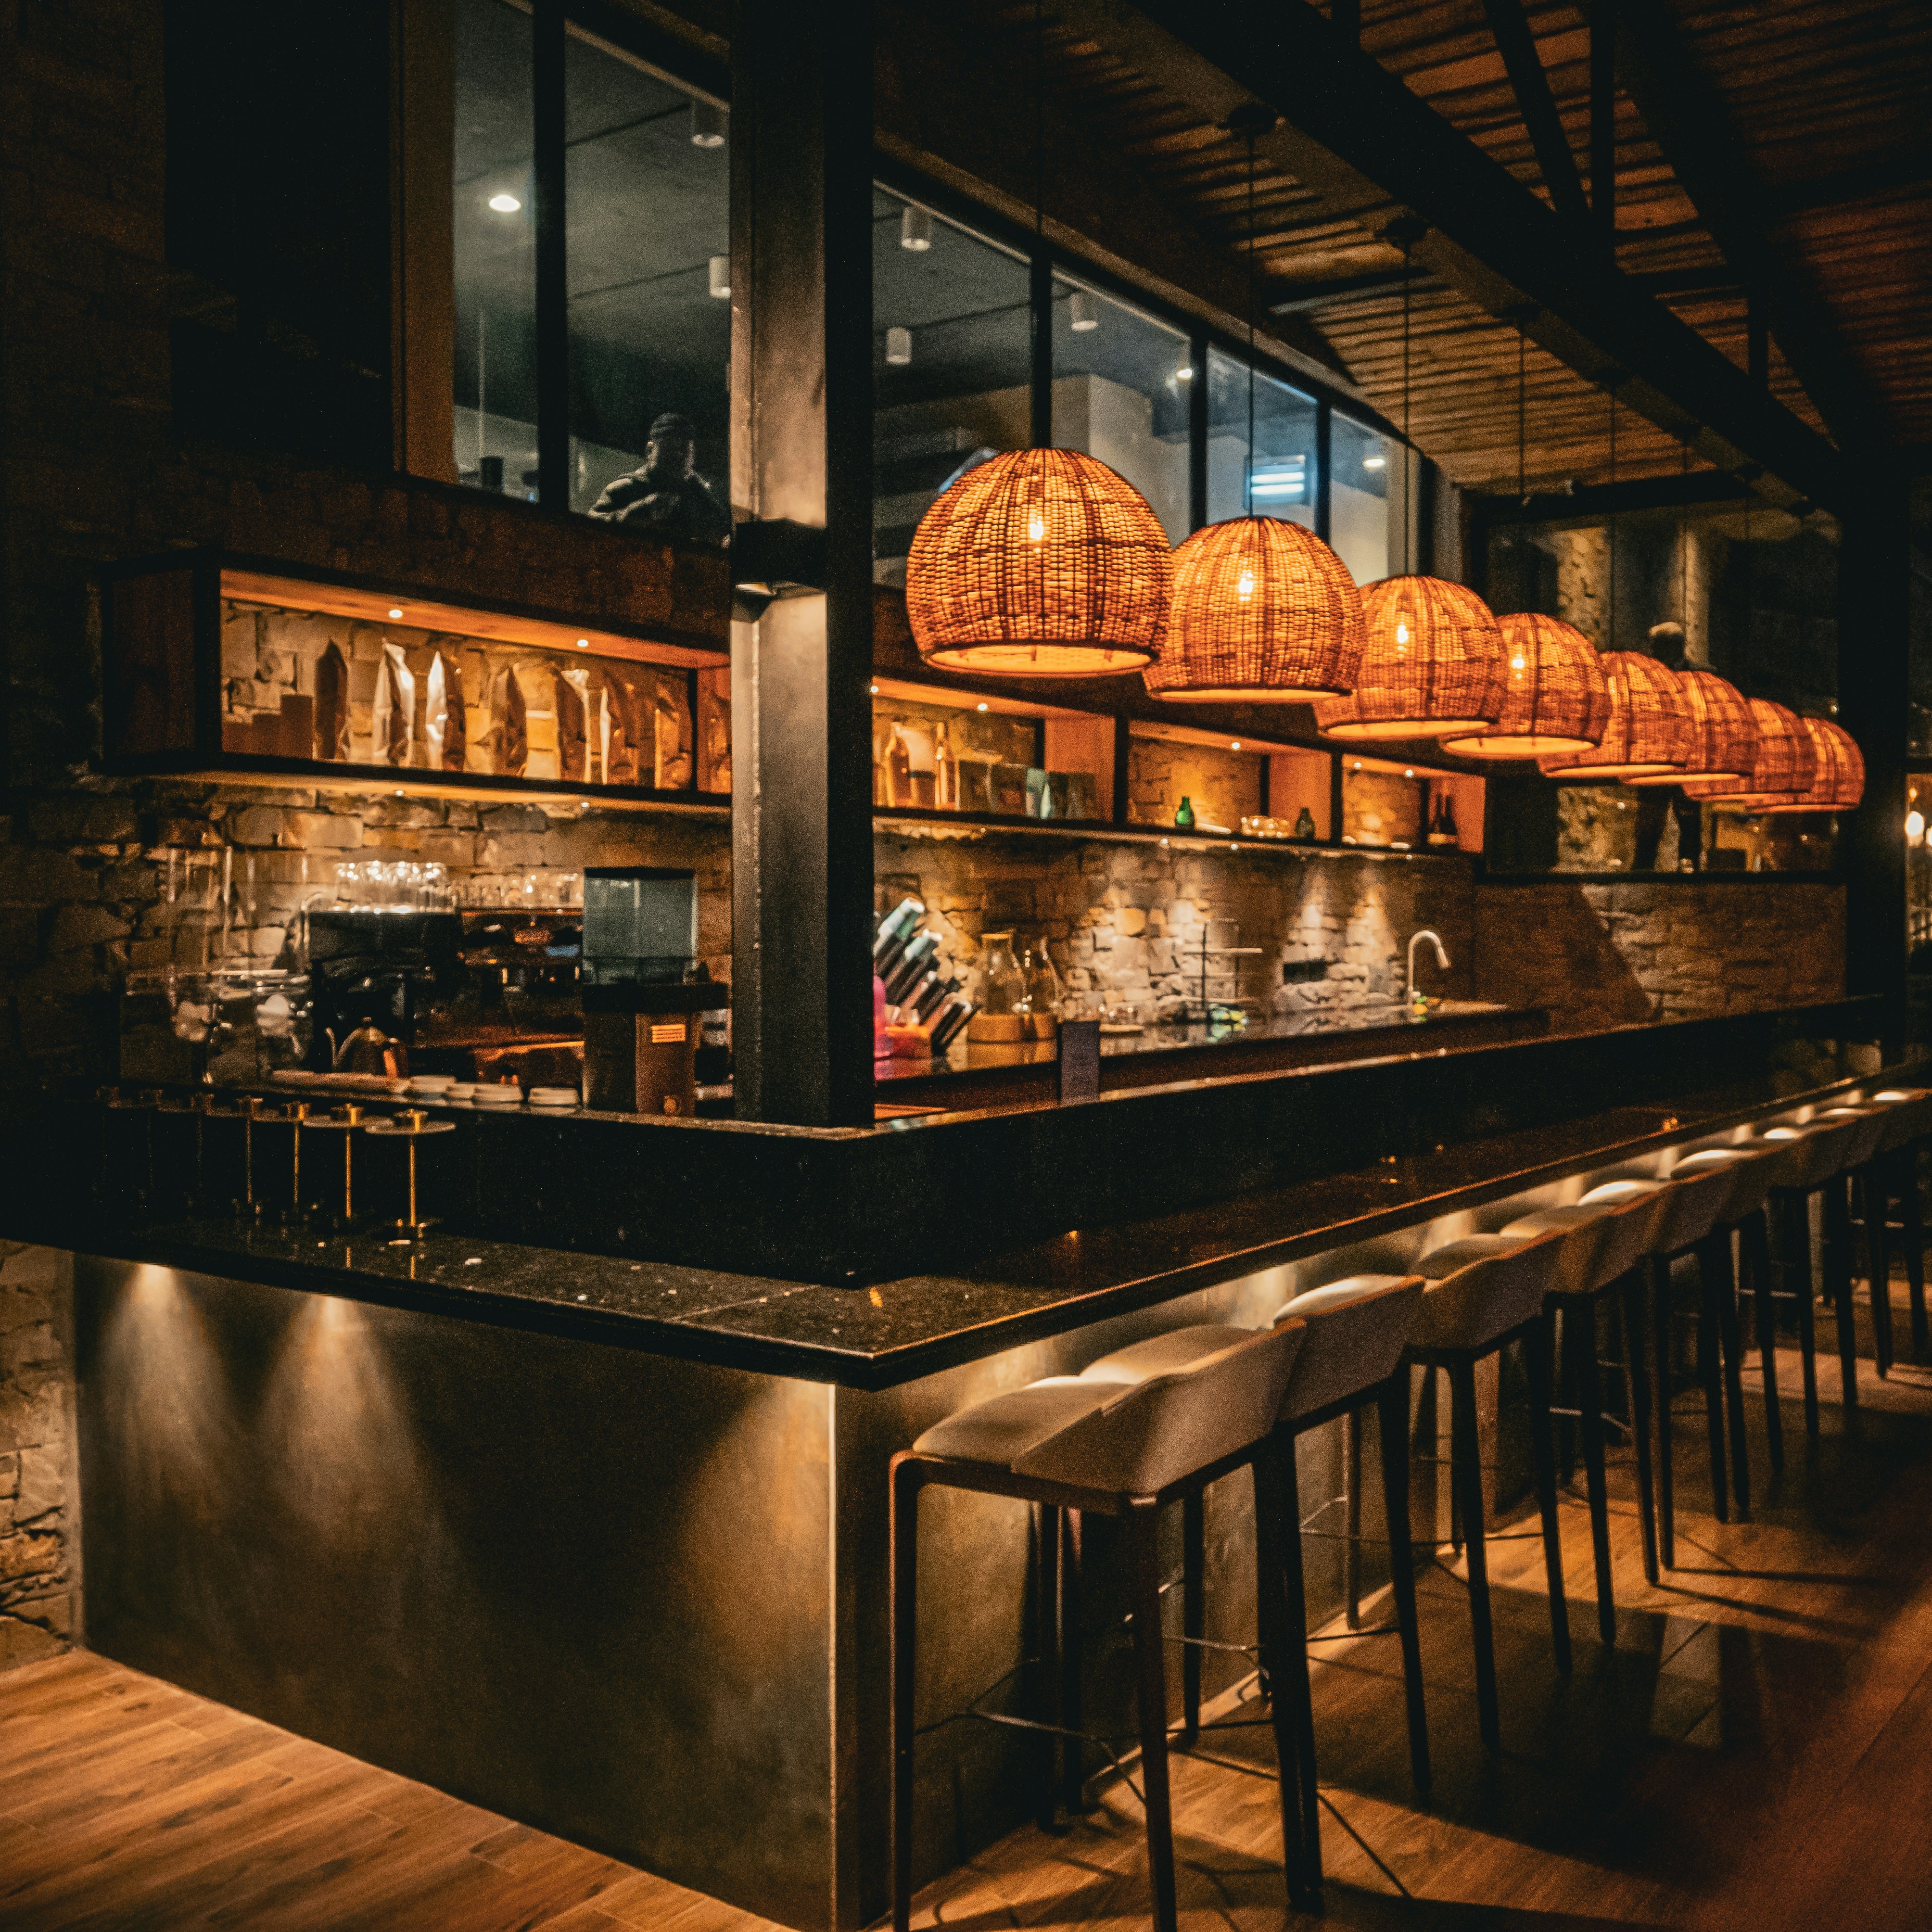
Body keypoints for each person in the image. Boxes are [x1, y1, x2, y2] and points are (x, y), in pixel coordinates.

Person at [1632, 619, 1707, 871]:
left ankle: (1690, 867)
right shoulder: (1646, 677)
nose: (1651, 652)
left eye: (1656, 647)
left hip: (1687, 760)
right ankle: (1643, 869)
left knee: (1689, 819)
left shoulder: (1701, 676)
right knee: (1649, 824)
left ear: (1670, 648)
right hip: (1655, 760)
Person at [589, 414, 730, 545]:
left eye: (685, 451)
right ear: (650, 450)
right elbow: (587, 530)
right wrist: (632, 515)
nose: (679, 457)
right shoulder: (625, 489)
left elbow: (722, 532)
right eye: (670, 451)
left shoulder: (701, 496)